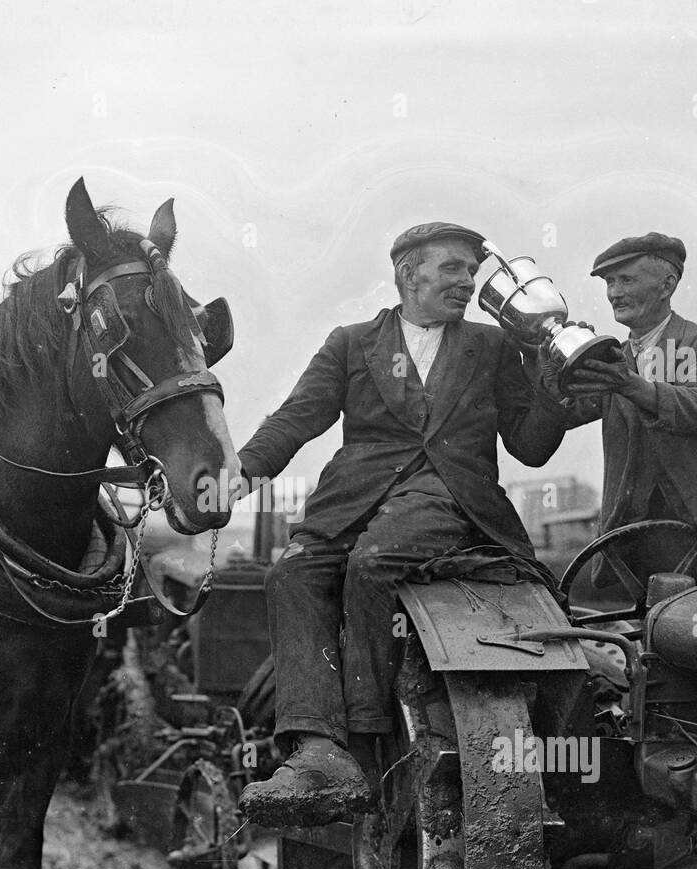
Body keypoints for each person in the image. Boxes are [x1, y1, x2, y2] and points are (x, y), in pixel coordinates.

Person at [231, 222, 572, 828]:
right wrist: (236, 477)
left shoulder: (493, 347)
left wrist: (558, 387)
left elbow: (532, 446)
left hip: (452, 498)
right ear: (408, 273)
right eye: (451, 268)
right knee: (291, 572)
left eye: (471, 270)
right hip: (353, 499)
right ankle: (315, 747)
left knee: (372, 563)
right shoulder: (352, 342)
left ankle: (363, 739)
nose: (467, 281)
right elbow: (296, 419)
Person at [554, 232, 697, 583]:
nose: (614, 293)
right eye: (610, 282)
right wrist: (544, 359)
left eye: (627, 279)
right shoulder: (613, 360)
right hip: (644, 549)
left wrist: (630, 384)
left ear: (667, 286)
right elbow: (562, 414)